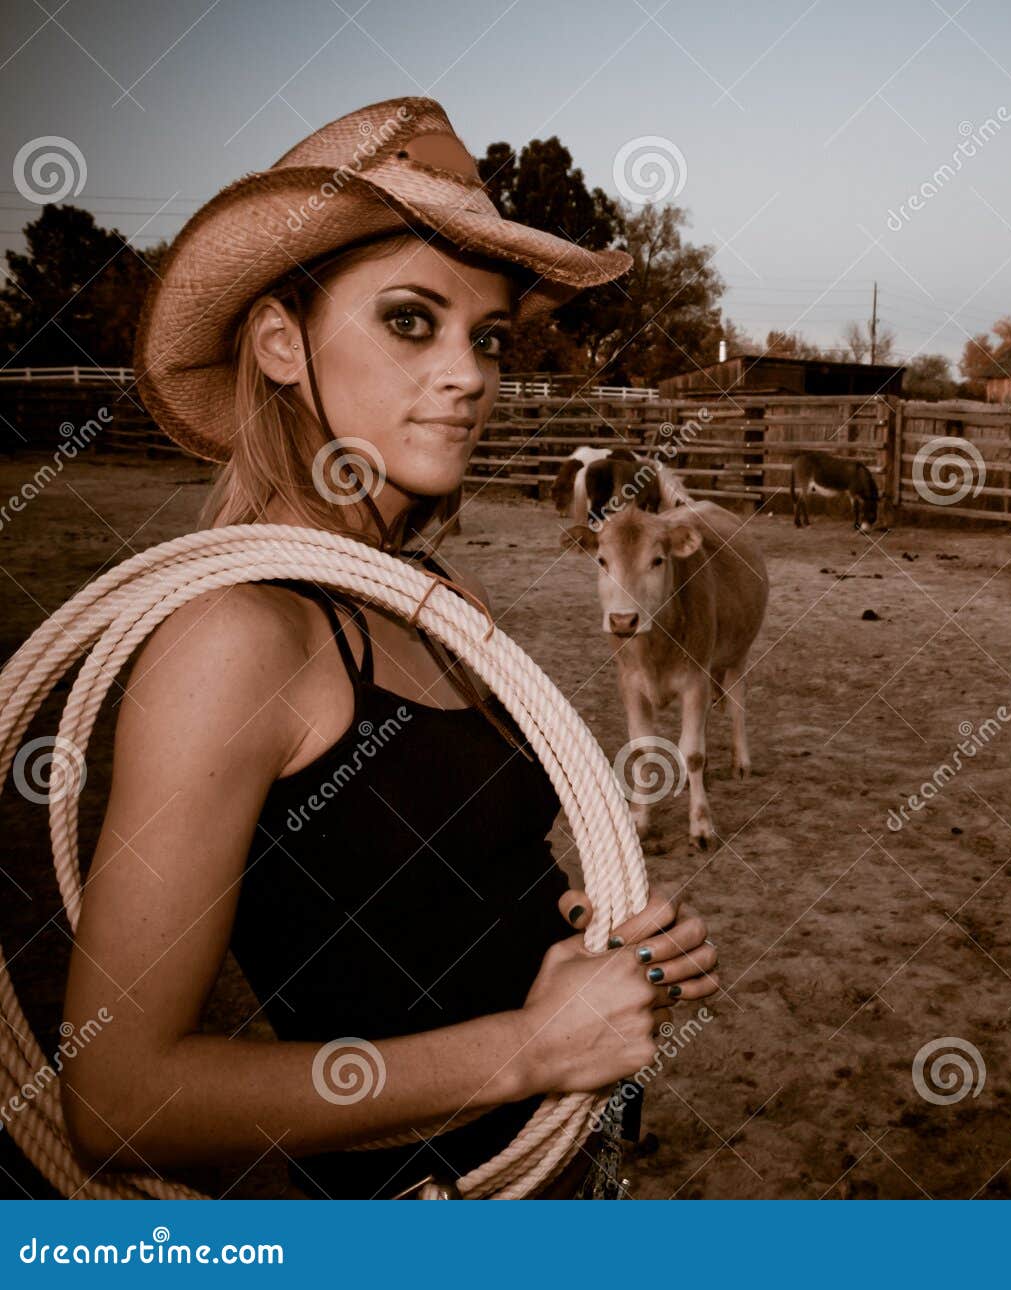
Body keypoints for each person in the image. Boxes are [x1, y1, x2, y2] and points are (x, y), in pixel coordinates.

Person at [57, 96, 719, 1199]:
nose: (468, 374)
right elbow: (117, 1100)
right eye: (412, 320)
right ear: (280, 342)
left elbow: (448, 890)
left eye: (488, 338)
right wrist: (531, 1048)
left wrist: (595, 938)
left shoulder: (432, 601)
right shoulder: (237, 636)